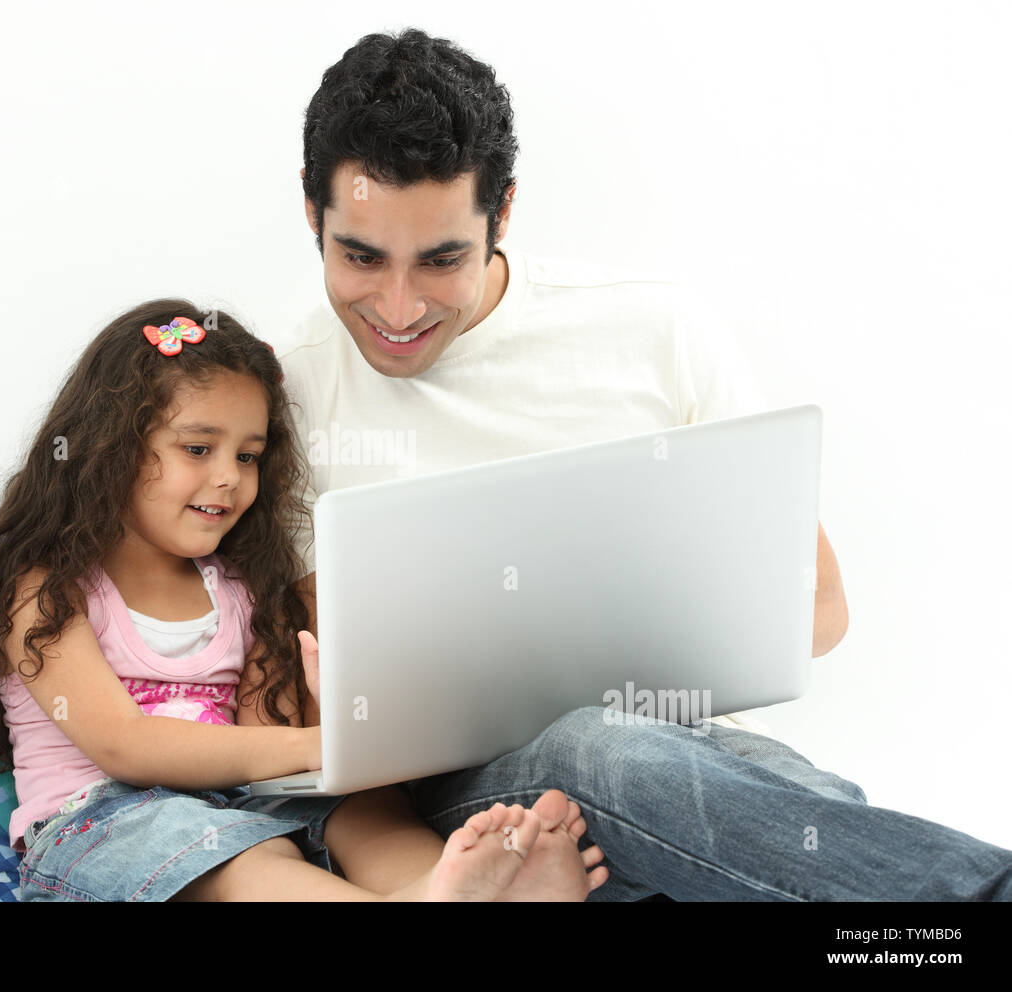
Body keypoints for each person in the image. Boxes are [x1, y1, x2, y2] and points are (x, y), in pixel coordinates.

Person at [276, 27, 1012, 900]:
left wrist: (640, 671)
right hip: (460, 806)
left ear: (502, 213)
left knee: (703, 782)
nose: (397, 307)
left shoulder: (652, 332)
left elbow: (817, 604)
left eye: (442, 260)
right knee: (602, 747)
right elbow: (319, 709)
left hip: (698, 764)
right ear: (312, 211)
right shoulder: (284, 399)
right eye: (361, 257)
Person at [0, 299, 609, 901]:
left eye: (247, 456)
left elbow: (265, 743)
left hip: (237, 806)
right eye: (198, 448)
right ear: (109, 449)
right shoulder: (44, 588)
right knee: (236, 853)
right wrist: (310, 742)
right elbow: (126, 746)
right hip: (102, 830)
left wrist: (337, 725)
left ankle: (440, 881)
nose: (229, 480)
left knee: (357, 805)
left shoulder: (240, 588)